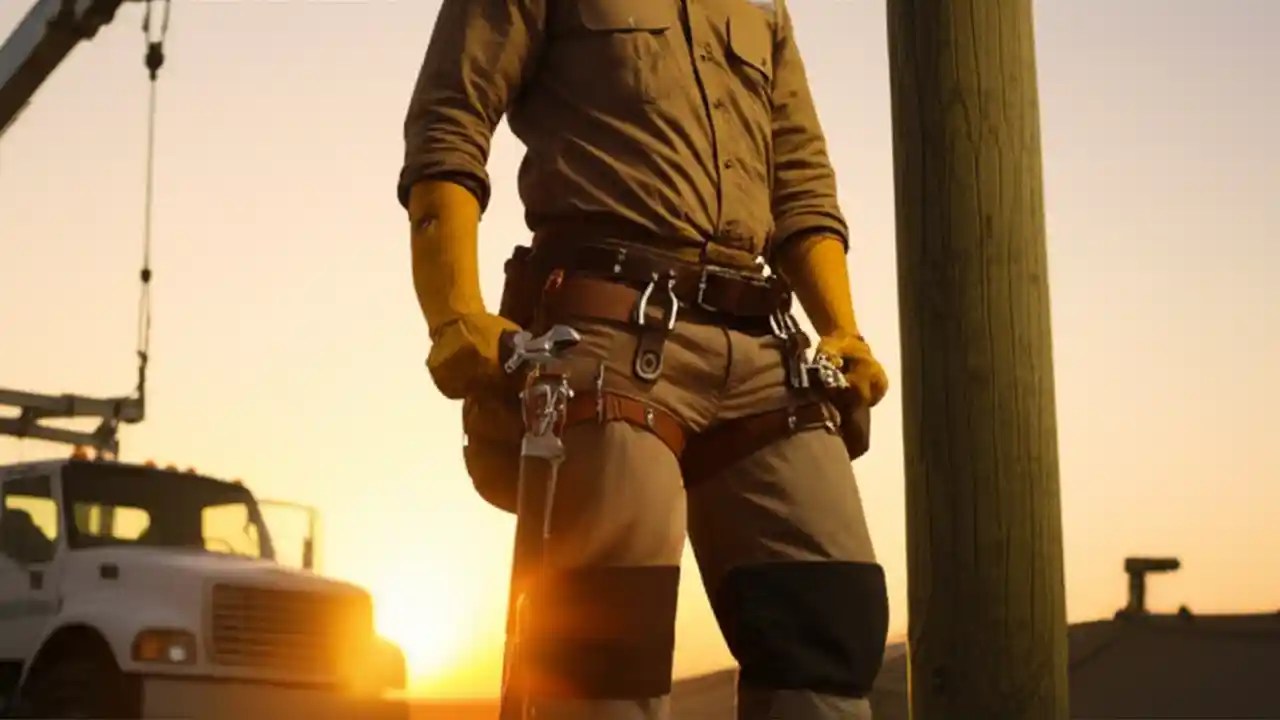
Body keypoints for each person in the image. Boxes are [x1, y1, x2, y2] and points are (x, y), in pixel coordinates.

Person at [398, 1, 890, 718]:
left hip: (760, 339)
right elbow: (450, 120)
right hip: (613, 326)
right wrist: (452, 311)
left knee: (828, 625)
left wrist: (841, 330)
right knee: (605, 648)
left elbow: (802, 182)